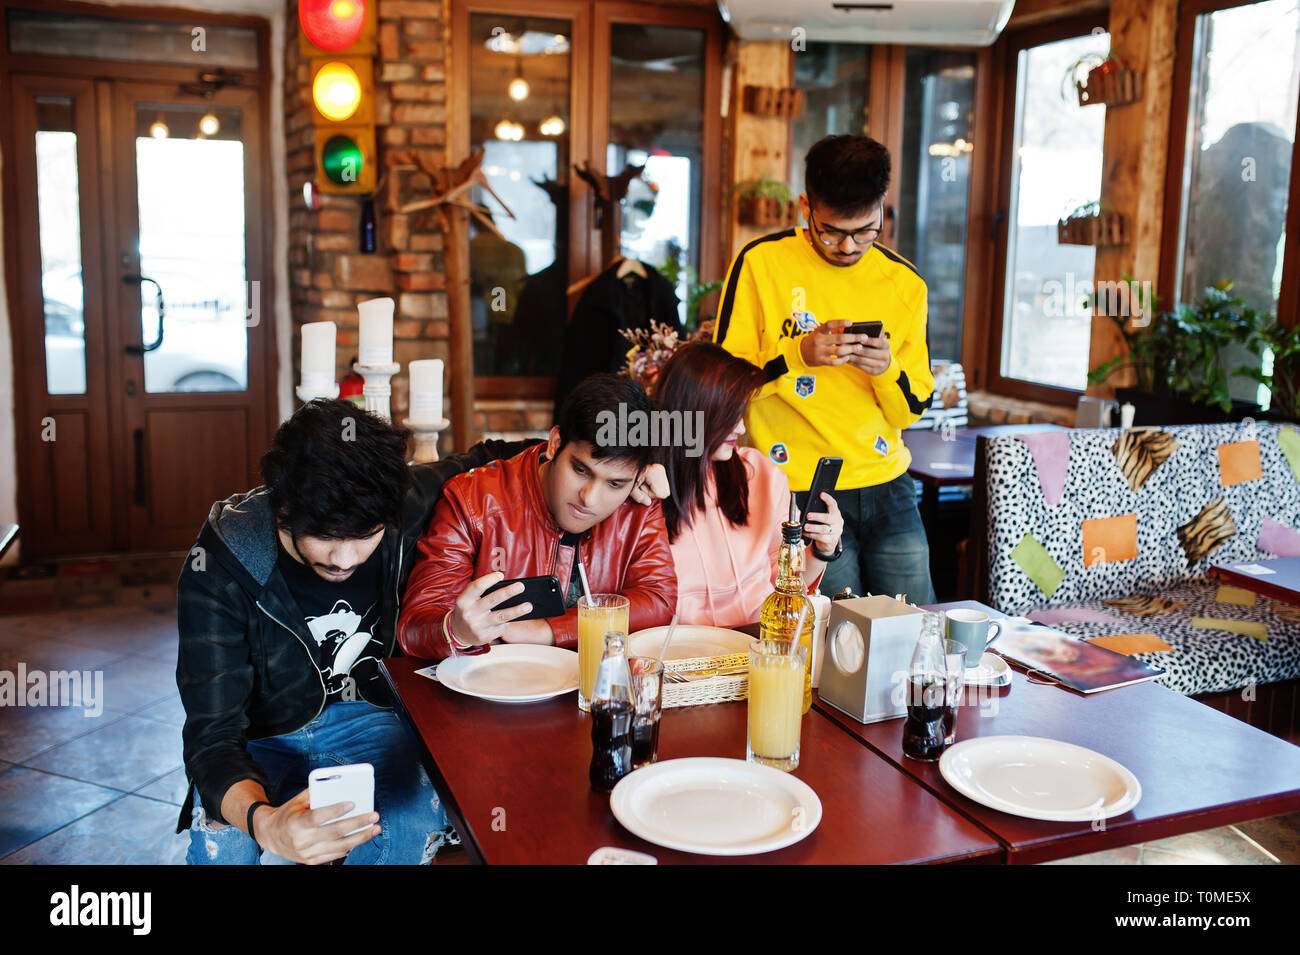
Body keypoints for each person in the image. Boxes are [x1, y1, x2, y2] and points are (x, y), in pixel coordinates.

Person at [176, 399, 528, 865]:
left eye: (363, 536)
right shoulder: (220, 564)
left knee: (409, 828)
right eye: (324, 537)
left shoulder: (400, 497)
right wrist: (266, 823)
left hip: (374, 720)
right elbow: (213, 739)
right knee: (222, 852)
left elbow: (501, 456)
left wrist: (641, 461)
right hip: (260, 739)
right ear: (282, 507)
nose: (343, 559)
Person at [715, 134, 937, 602]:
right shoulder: (761, 264)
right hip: (795, 488)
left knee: (916, 631)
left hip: (888, 485)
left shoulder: (904, 284)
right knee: (830, 643)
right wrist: (798, 355)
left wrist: (886, 369)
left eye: (865, 231)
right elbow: (719, 386)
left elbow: (911, 408)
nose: (847, 247)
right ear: (805, 208)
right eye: (832, 231)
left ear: (882, 209)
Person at [398, 374, 676, 657]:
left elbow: (659, 600)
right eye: (580, 470)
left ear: (638, 476)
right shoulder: (473, 499)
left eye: (614, 484)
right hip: (490, 690)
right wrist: (456, 631)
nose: (589, 498)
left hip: (592, 691)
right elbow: (414, 627)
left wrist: (549, 631)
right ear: (555, 443)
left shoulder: (639, 501)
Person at [653, 342, 844, 628]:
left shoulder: (761, 474)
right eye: (730, 416)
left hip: (762, 642)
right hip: (682, 652)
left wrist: (821, 550)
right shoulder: (646, 487)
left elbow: (787, 584)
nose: (741, 428)